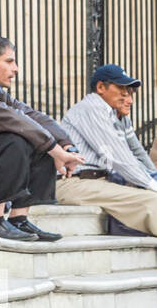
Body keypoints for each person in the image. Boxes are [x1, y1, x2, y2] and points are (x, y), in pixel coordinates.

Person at [0, 34, 83, 241]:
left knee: (36, 135)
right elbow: (11, 119)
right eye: (9, 61)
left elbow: (33, 116)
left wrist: (66, 146)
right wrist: (54, 149)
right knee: (17, 137)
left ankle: (18, 219)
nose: (16, 69)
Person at [57, 63, 157, 235]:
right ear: (101, 87)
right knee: (152, 201)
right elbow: (118, 157)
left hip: (98, 181)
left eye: (129, 90)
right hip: (75, 183)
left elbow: (135, 152)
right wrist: (151, 183)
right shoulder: (92, 108)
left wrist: (151, 175)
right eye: (121, 88)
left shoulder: (110, 113)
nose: (126, 95)